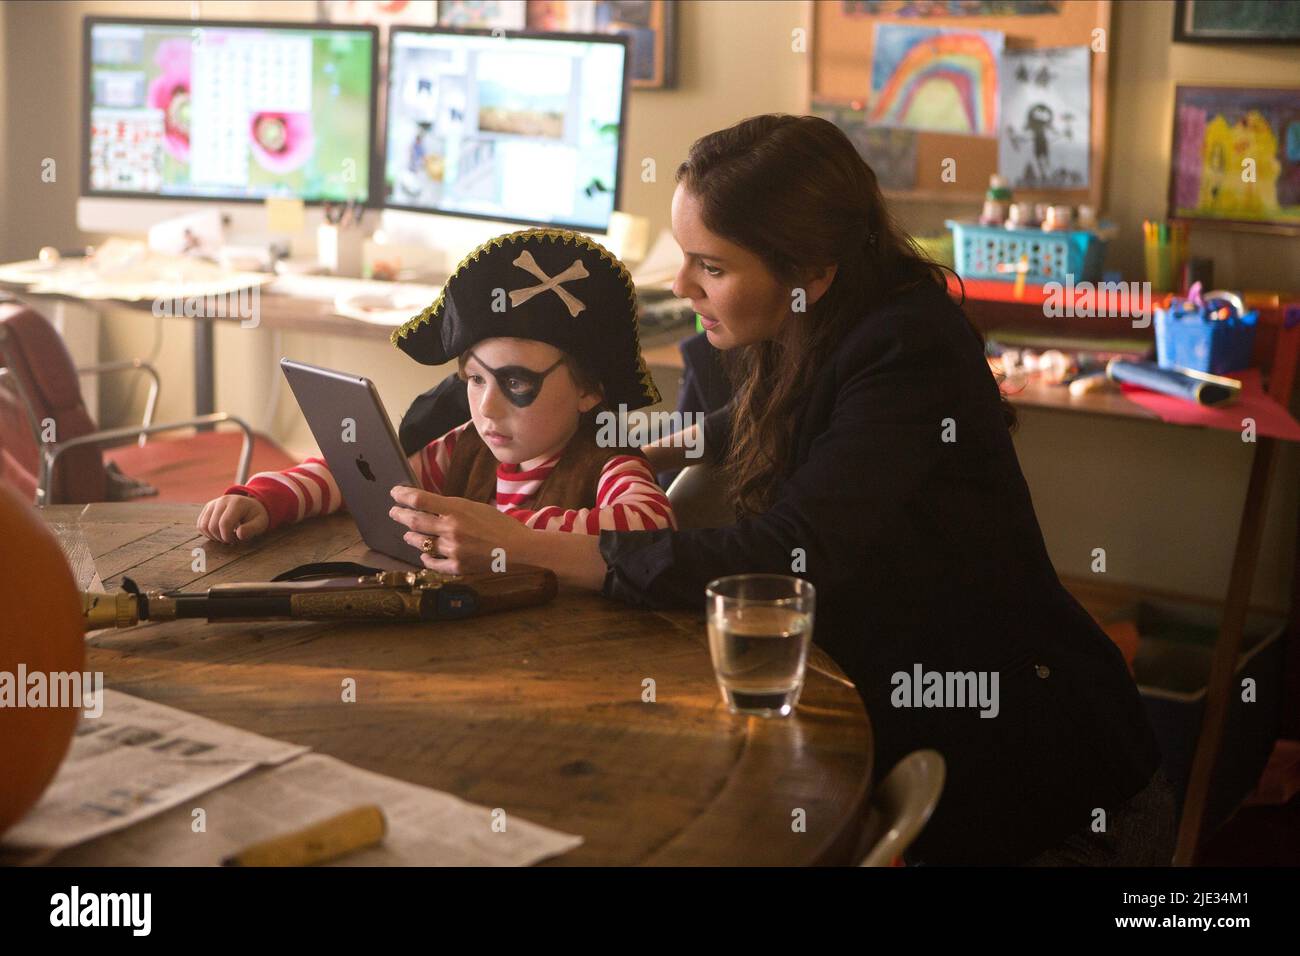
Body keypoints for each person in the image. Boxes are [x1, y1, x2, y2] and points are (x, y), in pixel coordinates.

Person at [385, 115, 1176, 866]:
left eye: (713, 267)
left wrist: (533, 547)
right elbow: (779, 409)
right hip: (910, 724)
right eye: (686, 255)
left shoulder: (910, 347)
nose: (683, 285)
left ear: (811, 273)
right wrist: (686, 442)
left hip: (1041, 787)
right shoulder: (809, 325)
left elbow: (787, 555)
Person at [198, 228, 675, 547]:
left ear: (589, 390)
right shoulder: (462, 448)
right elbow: (363, 474)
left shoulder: (607, 464)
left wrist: (496, 531)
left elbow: (651, 526)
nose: (487, 407)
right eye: (474, 379)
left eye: (515, 382)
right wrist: (265, 498)